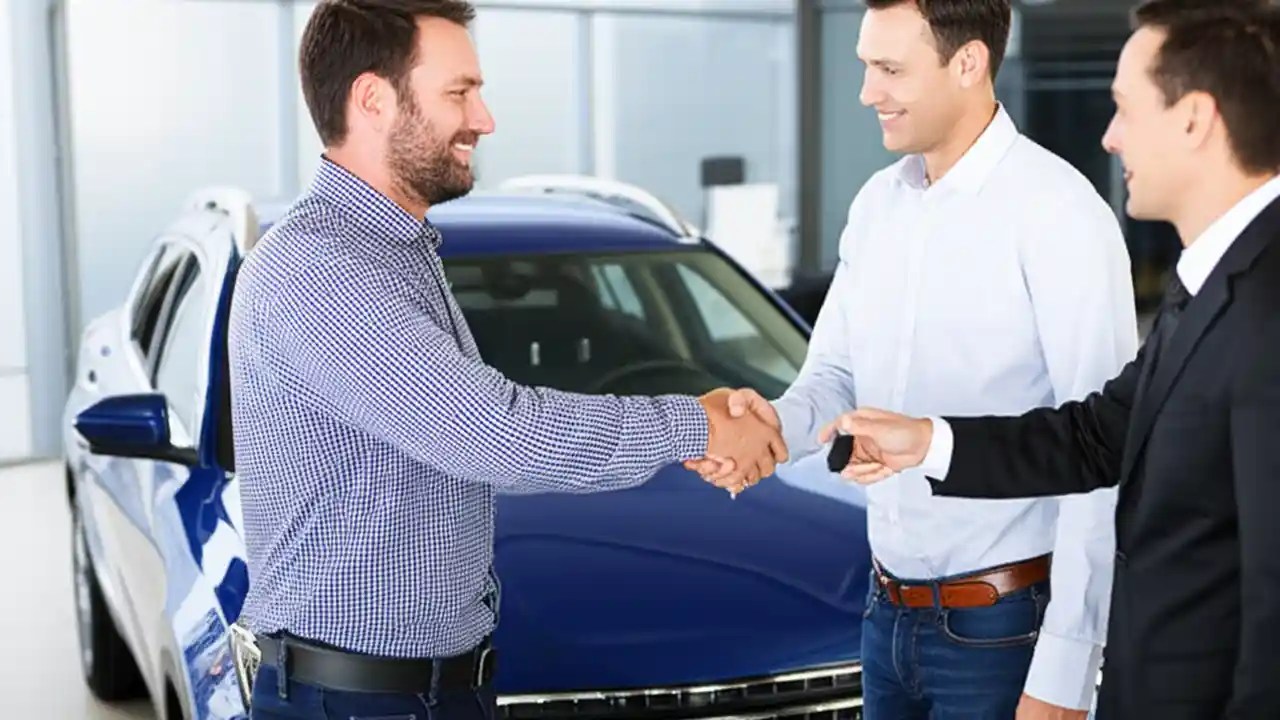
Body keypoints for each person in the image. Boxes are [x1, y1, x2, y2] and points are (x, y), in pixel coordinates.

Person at [226, 1, 785, 718]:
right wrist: (698, 426)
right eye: (459, 92)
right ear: (372, 99)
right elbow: (495, 432)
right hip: (359, 700)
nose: (484, 120)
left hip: (432, 687)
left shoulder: (399, 251)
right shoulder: (321, 267)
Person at [828, 2, 1280, 718]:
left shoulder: (1265, 307)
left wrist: (1066, 664)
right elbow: (1098, 436)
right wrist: (927, 440)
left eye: (1125, 109)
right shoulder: (1212, 281)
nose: (1110, 136)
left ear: (1194, 120)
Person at [688, 1, 1137, 717]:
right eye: (867, 66)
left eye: (890, 69)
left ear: (968, 64)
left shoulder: (1060, 213)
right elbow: (834, 376)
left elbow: (1103, 451)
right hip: (883, 612)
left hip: (1005, 628)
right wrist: (767, 428)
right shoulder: (877, 205)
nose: (868, 92)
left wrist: (1066, 667)